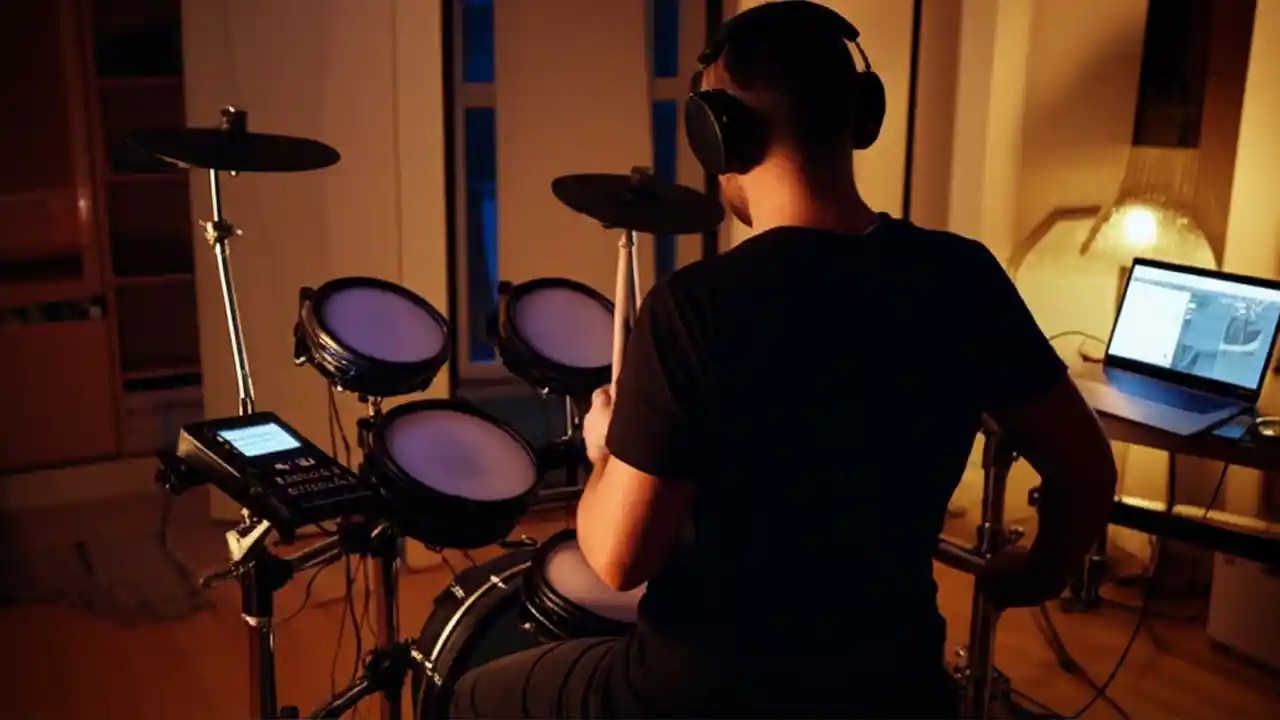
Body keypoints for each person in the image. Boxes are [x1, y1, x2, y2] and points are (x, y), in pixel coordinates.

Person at [450, 2, 1117, 717]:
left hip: (703, 698)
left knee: (475, 693)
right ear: (860, 117)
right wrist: (1036, 573)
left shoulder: (695, 307)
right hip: (894, 691)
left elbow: (617, 560)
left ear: (717, 136)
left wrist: (607, 451)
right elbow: (1087, 468)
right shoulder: (962, 277)